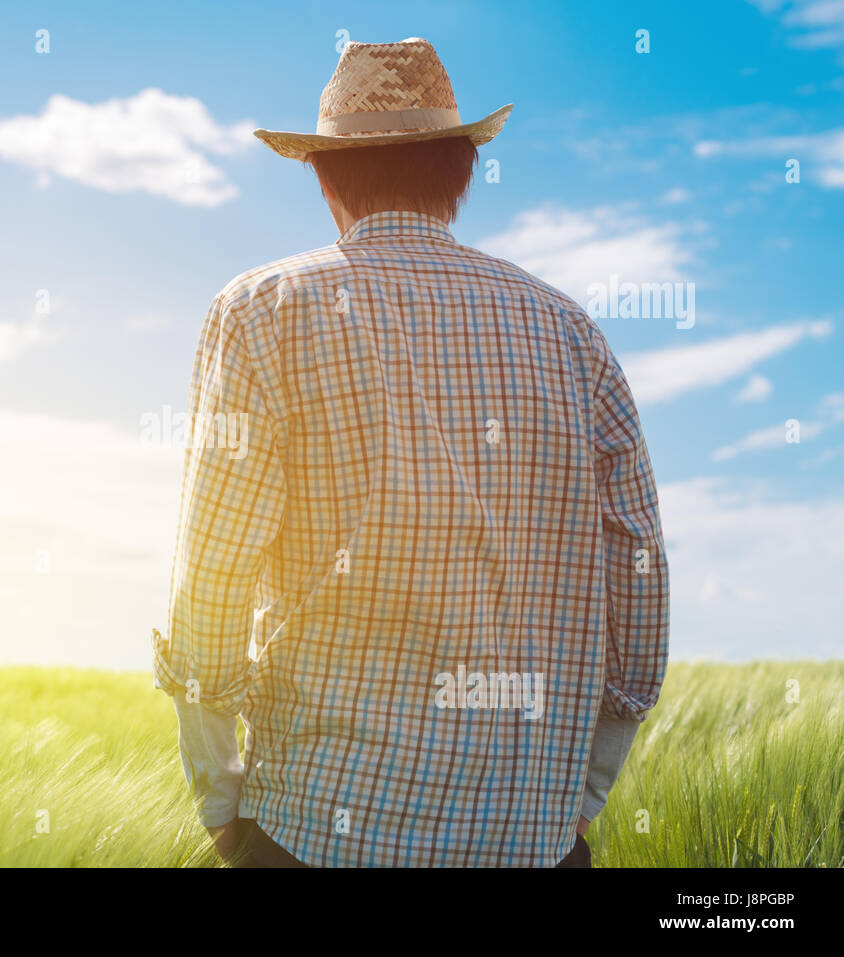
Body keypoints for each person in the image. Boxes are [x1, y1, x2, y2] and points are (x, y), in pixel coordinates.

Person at [152, 37, 669, 867]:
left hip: (315, 828)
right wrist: (580, 797)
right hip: (533, 838)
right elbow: (638, 572)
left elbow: (213, 566)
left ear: (325, 177)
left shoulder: (262, 311)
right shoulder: (573, 332)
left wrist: (220, 796)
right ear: (460, 171)